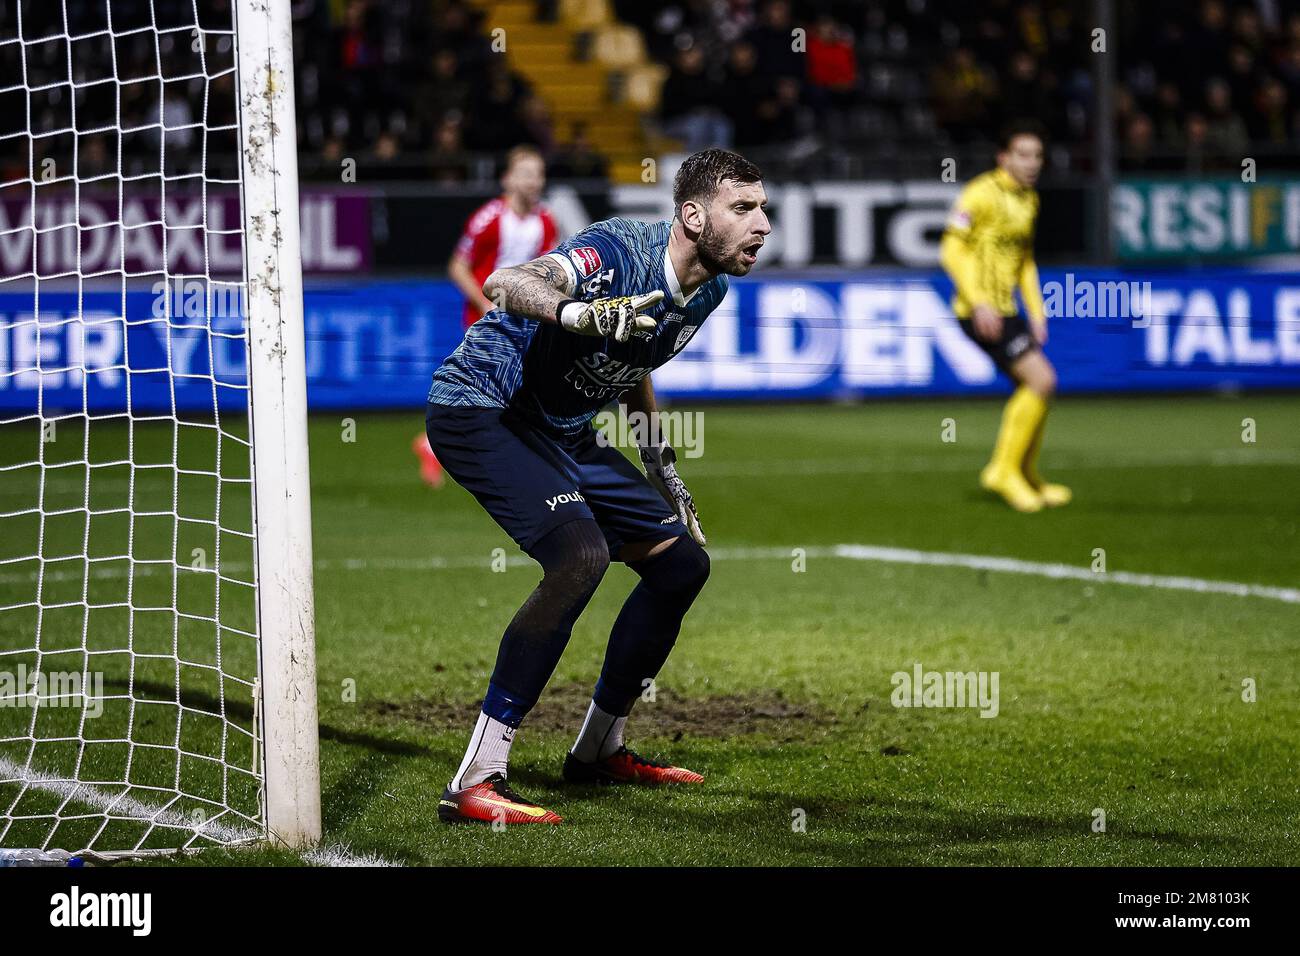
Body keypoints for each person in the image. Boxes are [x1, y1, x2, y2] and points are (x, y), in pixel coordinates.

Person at [425, 149, 770, 824]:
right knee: (579, 556)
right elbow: (507, 281)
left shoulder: (709, 290)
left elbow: (637, 357)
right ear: (693, 215)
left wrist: (659, 463)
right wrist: (582, 313)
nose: (761, 224)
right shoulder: (615, 248)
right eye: (744, 208)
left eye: (762, 209)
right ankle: (476, 778)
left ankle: (596, 751)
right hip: (484, 408)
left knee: (681, 567)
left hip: (564, 430)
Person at [940, 121, 1071, 513]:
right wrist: (978, 300)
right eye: (1023, 155)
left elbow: (1025, 260)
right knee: (1042, 380)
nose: (1032, 163)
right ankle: (1003, 471)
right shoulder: (980, 193)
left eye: (1037, 156)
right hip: (979, 311)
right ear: (1004, 158)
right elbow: (951, 249)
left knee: (1036, 389)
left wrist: (1037, 311)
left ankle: (1026, 475)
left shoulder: (1029, 199)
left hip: (1008, 311)